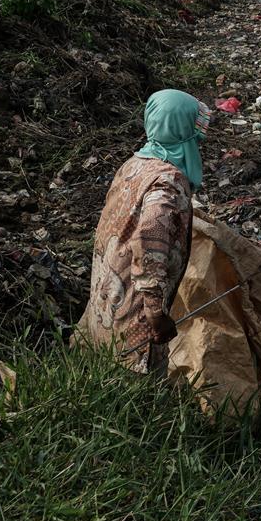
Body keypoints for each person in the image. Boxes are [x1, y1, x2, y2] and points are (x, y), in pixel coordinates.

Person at [76, 89, 210, 374]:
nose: (200, 139)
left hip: (106, 307)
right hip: (136, 319)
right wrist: (156, 314)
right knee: (139, 400)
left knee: (105, 379)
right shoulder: (168, 182)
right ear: (182, 130)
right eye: (196, 130)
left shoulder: (135, 165)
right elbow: (150, 240)